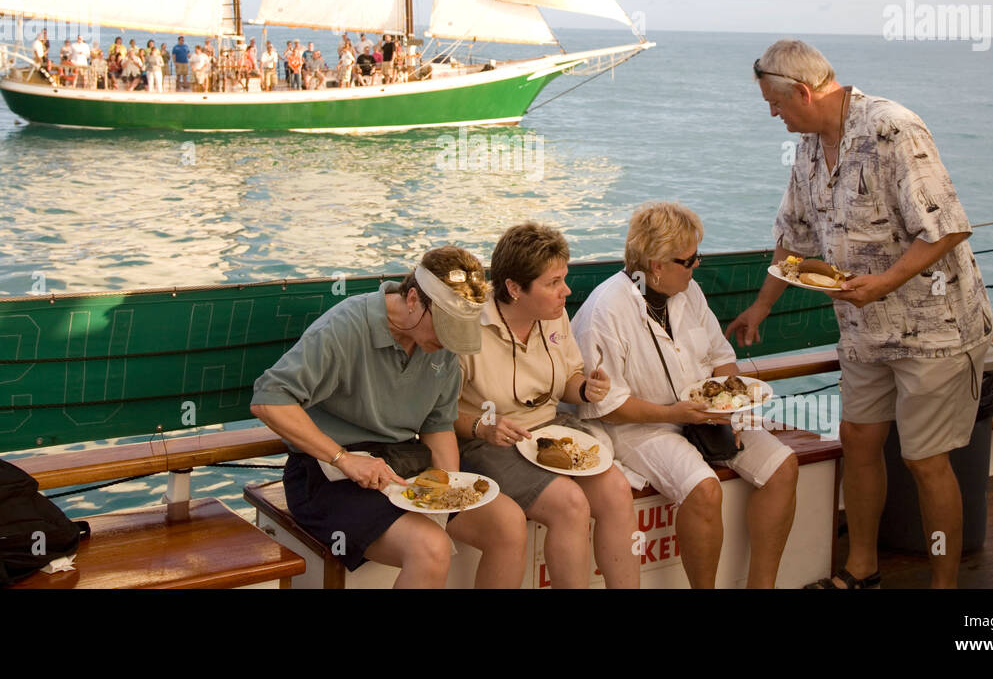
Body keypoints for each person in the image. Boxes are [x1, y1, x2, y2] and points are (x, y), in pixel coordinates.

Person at [725, 38, 993, 590]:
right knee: (859, 441)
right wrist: (760, 307)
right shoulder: (807, 147)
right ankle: (862, 569)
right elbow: (792, 238)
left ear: (802, 91)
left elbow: (948, 226)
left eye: (776, 104)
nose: (773, 115)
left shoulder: (893, 129)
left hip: (935, 330)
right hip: (864, 330)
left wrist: (887, 283)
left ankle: (945, 587)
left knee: (926, 462)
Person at [250, 246, 528, 588]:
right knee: (430, 547)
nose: (447, 341)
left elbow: (438, 425)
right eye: (444, 327)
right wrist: (343, 458)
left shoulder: (437, 347)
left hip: (402, 463)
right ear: (413, 298)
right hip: (325, 472)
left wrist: (449, 486)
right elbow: (268, 399)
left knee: (509, 523)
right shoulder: (346, 326)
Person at [572, 201, 799, 588]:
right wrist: (676, 414)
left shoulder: (687, 292)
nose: (698, 266)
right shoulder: (605, 311)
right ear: (657, 265)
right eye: (689, 260)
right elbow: (608, 407)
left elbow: (722, 360)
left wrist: (734, 409)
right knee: (705, 490)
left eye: (698, 256)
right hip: (640, 426)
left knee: (784, 467)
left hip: (704, 415)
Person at [455, 223, 638, 589]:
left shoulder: (555, 317)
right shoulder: (467, 328)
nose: (565, 291)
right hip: (487, 442)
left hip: (549, 430)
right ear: (514, 289)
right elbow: (435, 414)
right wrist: (482, 426)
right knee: (570, 504)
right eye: (554, 282)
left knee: (617, 491)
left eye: (564, 279)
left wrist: (585, 389)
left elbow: (566, 378)